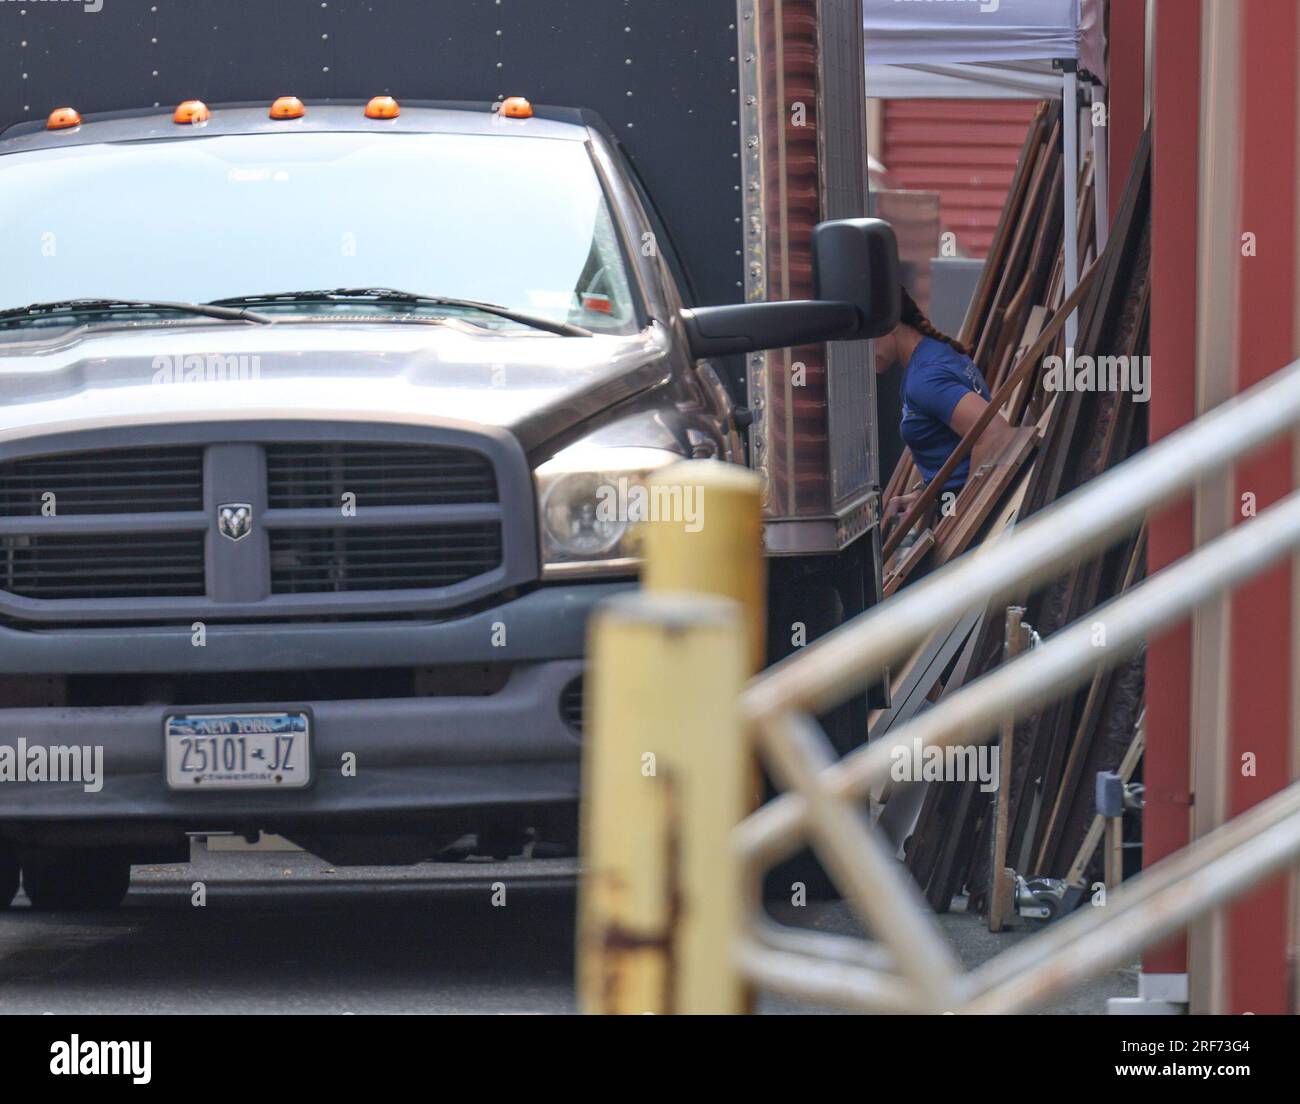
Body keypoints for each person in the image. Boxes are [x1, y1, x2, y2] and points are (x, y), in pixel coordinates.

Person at [879, 287, 1014, 530]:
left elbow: (994, 432)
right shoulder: (932, 354)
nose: (860, 350)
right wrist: (922, 492)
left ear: (892, 324)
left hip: (974, 527)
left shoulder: (925, 378)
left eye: (864, 337)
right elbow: (953, 447)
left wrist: (965, 518)